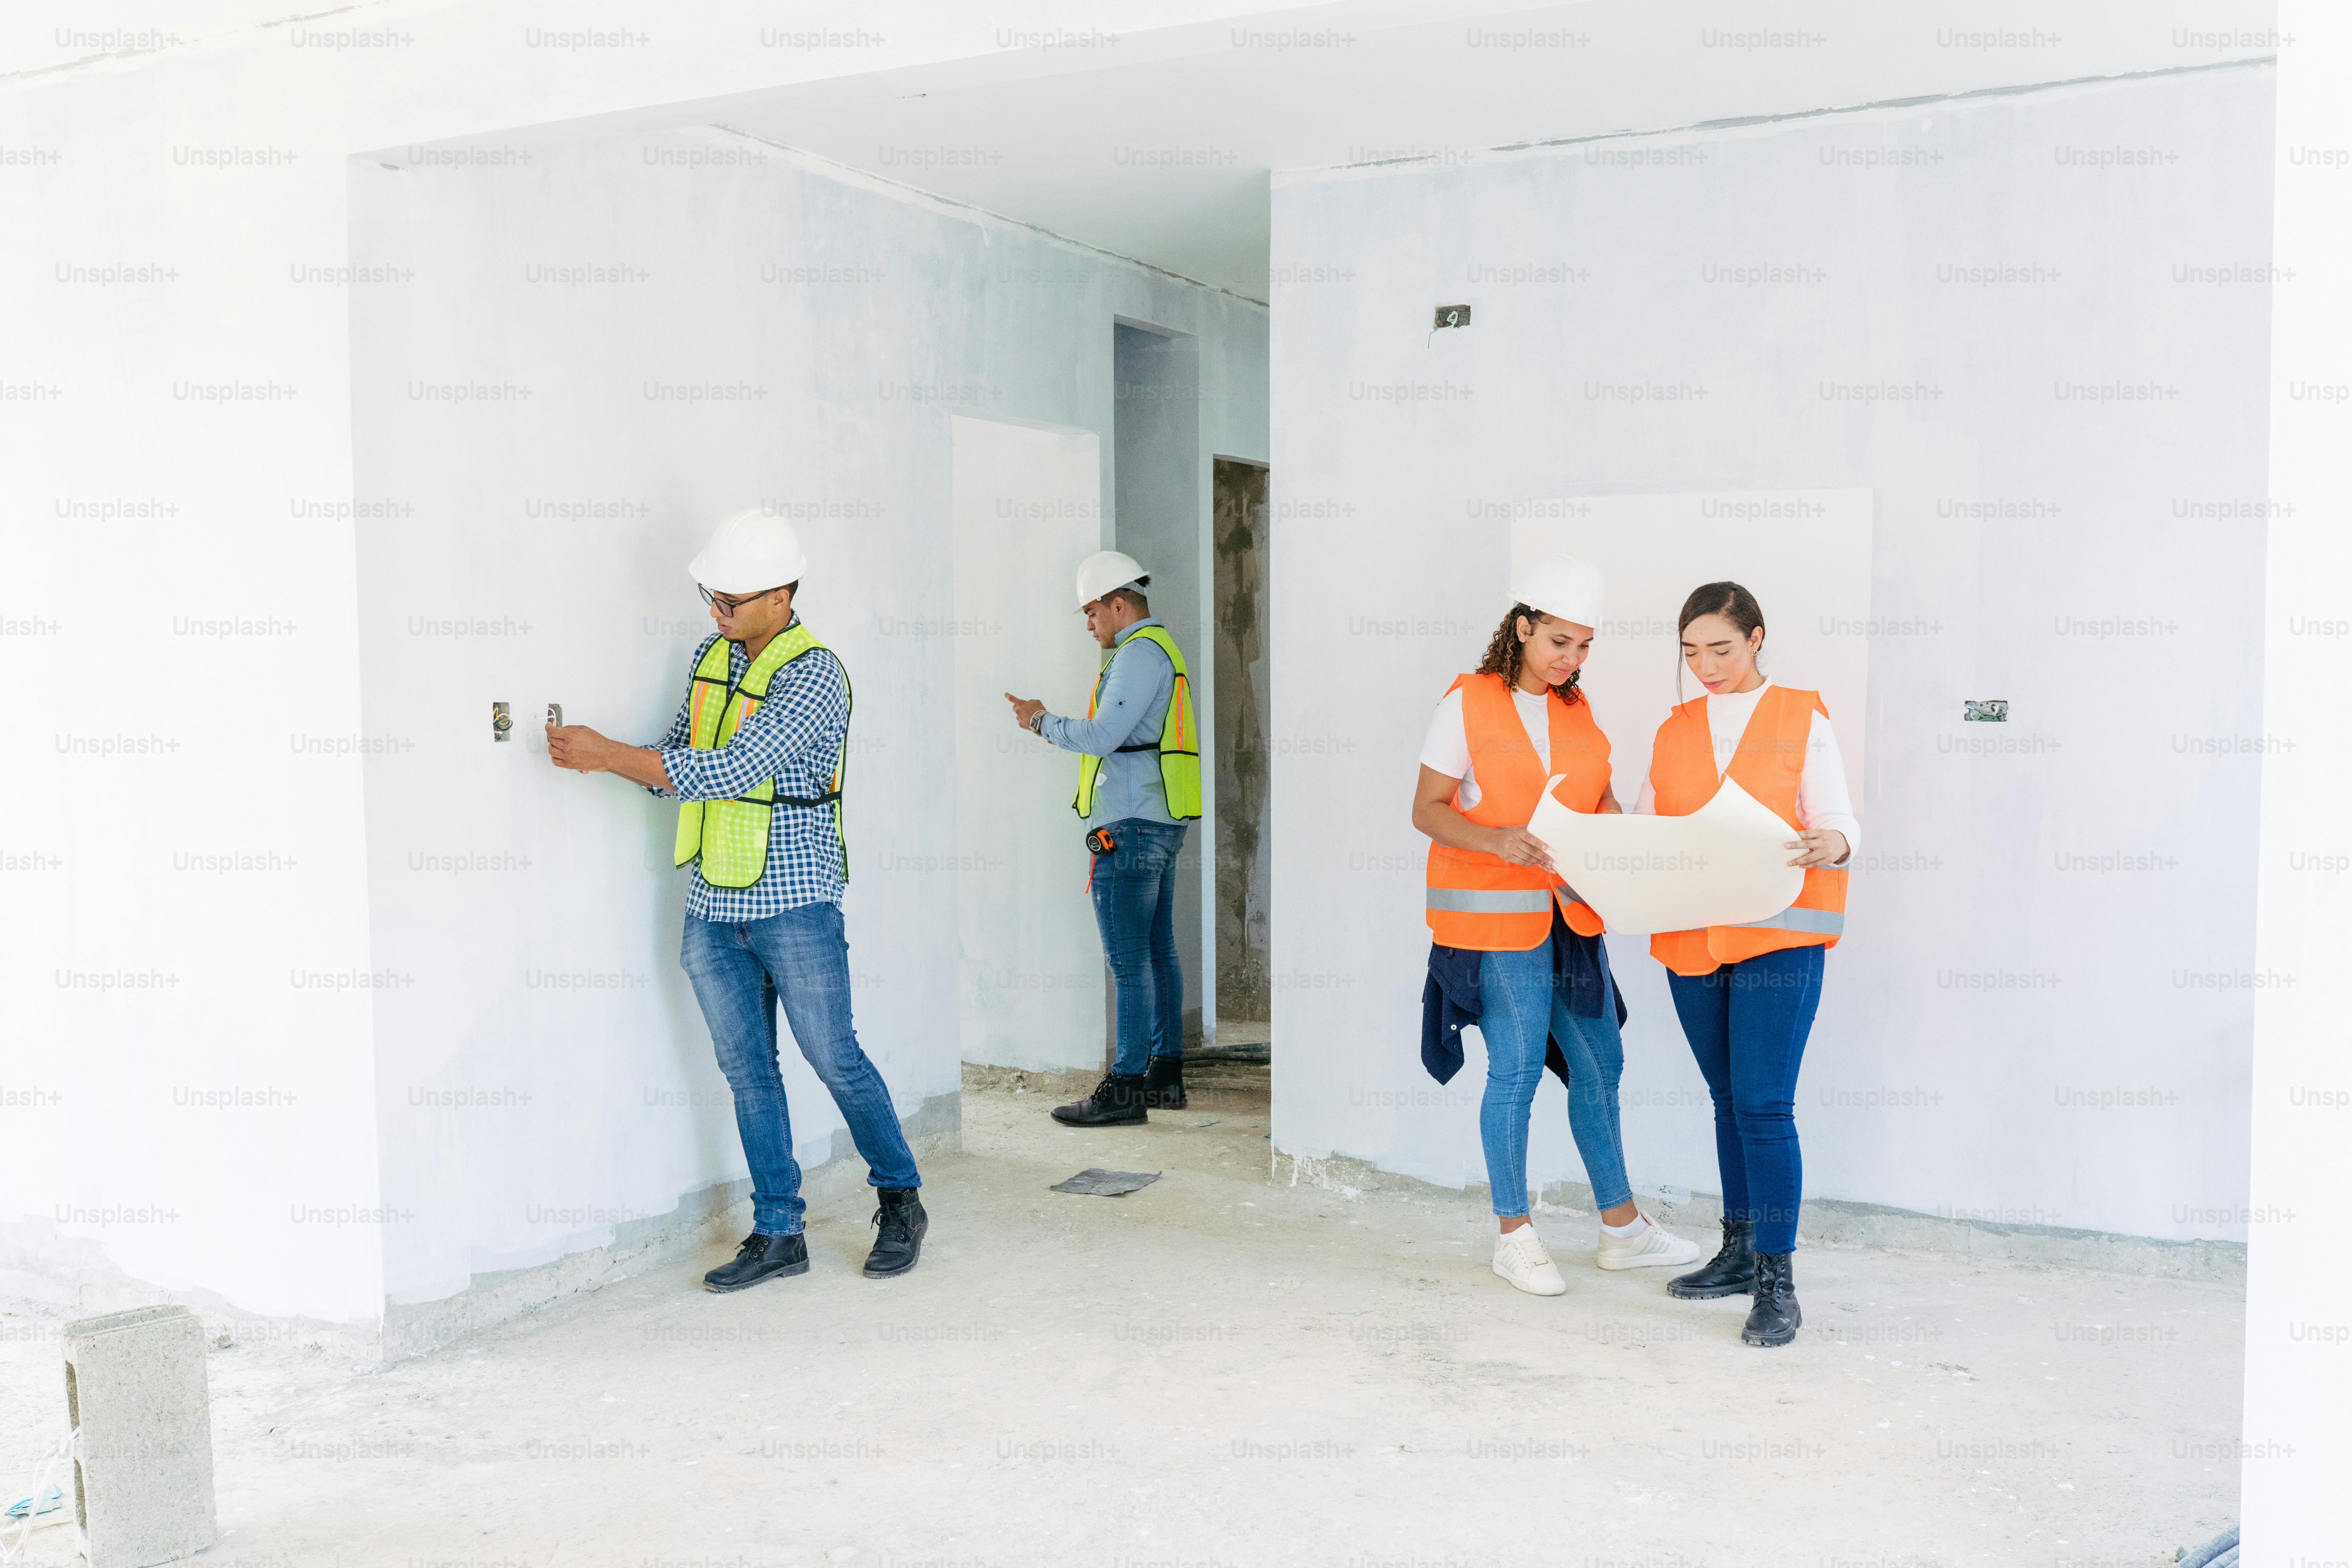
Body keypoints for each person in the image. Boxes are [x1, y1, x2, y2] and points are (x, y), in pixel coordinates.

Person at [544, 508, 927, 1292]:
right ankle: (779, 1231)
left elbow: (729, 770)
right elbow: (684, 753)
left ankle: (900, 1196)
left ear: (783, 595)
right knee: (749, 1071)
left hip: (795, 899)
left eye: (732, 601)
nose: (717, 614)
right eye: (710, 598)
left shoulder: (816, 674)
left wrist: (611, 754)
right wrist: (613, 765)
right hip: (715, 901)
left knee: (834, 1057)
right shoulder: (711, 658)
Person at [1411, 557, 1702, 1297]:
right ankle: (1514, 1235)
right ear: (1522, 628)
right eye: (1559, 643)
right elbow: (1428, 809)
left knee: (1601, 1064)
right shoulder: (1469, 703)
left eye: (1584, 647)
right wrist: (1497, 838)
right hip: (1500, 922)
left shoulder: (1576, 712)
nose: (1572, 660)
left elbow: (1599, 803)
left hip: (1571, 916)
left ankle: (1623, 1229)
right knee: (1513, 1073)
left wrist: (1643, 843)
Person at [1637, 581, 1858, 1347]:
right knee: (1727, 1099)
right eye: (1691, 651)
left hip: (1779, 941)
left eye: (1721, 649)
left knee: (1765, 1105)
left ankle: (1777, 1280)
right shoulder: (1674, 730)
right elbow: (1648, 826)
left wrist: (1833, 841)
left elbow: (1838, 821)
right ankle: (1735, 1251)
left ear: (1757, 638)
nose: (1705, 665)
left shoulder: (1803, 715)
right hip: (1694, 941)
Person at [1004, 550, 1202, 1127]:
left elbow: (1103, 735)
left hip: (1132, 826)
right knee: (1157, 953)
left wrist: (1041, 721)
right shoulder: (1162, 650)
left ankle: (1126, 1087)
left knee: (1129, 961)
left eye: (1092, 612)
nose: (1090, 625)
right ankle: (1164, 1075)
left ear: (1120, 604)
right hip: (1158, 821)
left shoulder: (1140, 656)